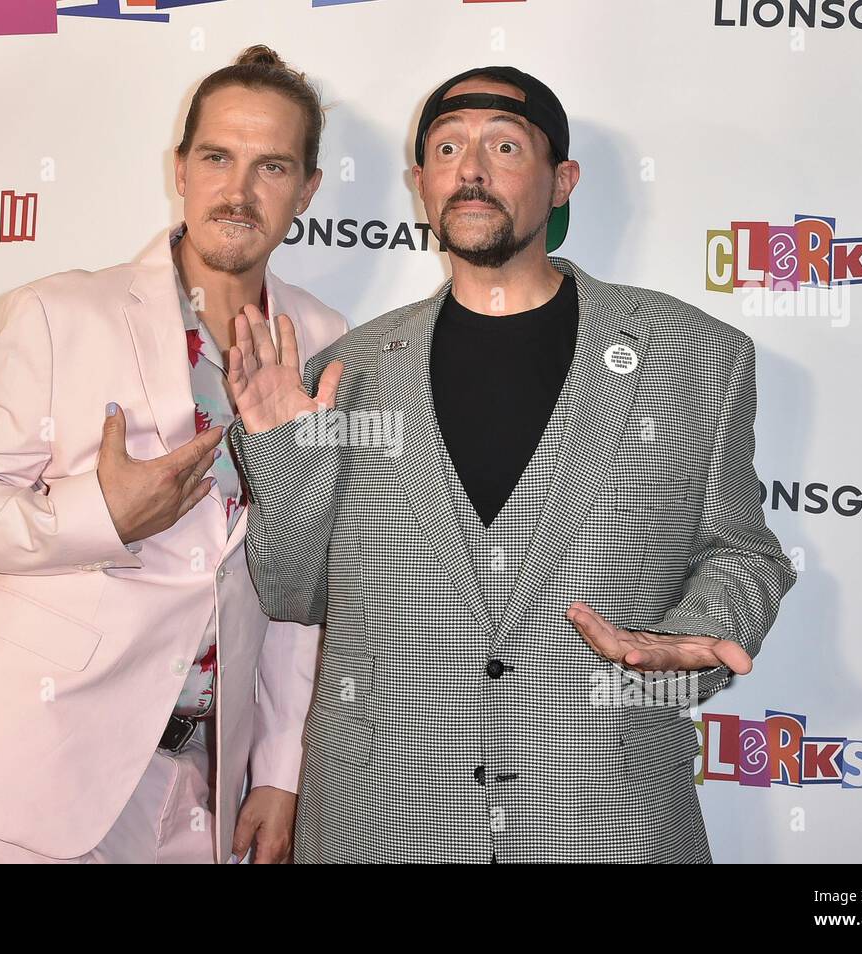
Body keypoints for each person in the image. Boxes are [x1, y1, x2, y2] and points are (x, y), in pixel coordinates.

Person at [228, 66, 797, 863]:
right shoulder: (344, 374)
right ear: (420, 182)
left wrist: (690, 639)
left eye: (504, 146)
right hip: (387, 820)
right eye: (448, 148)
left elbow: (742, 553)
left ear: (562, 180)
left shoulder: (694, 358)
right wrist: (279, 450)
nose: (471, 169)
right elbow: (294, 590)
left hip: (605, 818)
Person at [0, 45, 347, 863]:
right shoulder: (60, 313)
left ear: (307, 188)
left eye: (271, 166)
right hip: (28, 770)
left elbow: (303, 577)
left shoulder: (326, 342)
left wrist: (280, 766)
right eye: (217, 157)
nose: (238, 192)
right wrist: (97, 515)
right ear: (180, 167)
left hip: (208, 784)